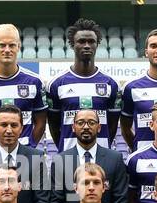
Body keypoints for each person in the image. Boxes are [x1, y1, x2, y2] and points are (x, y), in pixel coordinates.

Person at [47, 18, 121, 149]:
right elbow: (54, 125)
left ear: (97, 44)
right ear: (72, 44)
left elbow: (112, 126)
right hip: (69, 158)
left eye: (91, 41)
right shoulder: (57, 84)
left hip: (100, 158)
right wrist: (66, 149)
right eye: (81, 41)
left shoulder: (111, 84)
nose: (86, 45)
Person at [47, 108, 129, 203]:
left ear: (99, 127)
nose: (86, 127)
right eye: (80, 123)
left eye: (91, 122)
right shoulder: (60, 161)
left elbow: (121, 200)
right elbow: (55, 202)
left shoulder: (115, 159)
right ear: (73, 127)